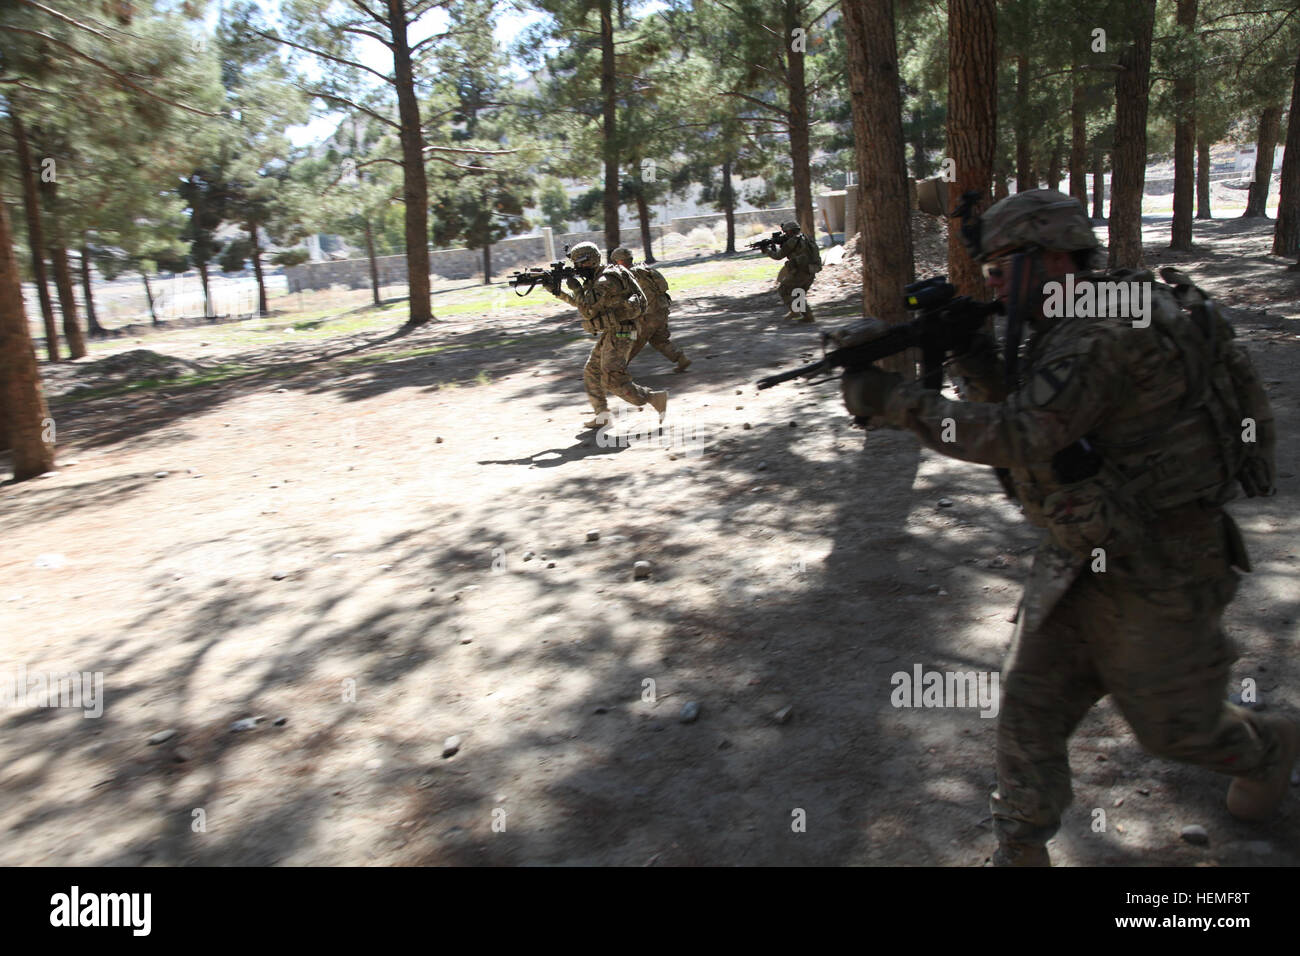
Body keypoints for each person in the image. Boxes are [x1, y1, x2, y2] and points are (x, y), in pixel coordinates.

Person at [840, 189, 1294, 866]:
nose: (992, 285)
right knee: (1028, 713)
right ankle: (1019, 850)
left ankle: (1271, 747)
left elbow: (1025, 432)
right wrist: (971, 355)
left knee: (1176, 731)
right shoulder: (1086, 307)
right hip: (1081, 552)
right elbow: (1044, 414)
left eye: (999, 271)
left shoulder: (1100, 333)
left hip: (1160, 564)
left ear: (1050, 257)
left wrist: (895, 399)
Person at [546, 241, 668, 429]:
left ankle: (654, 398)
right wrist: (556, 291)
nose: (578, 267)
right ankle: (602, 416)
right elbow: (585, 304)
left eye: (581, 263)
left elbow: (587, 311)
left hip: (622, 333)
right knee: (592, 372)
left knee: (613, 380)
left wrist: (576, 288)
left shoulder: (605, 281)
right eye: (576, 264)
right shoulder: (600, 276)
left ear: (592, 261)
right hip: (615, 330)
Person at [608, 247, 690, 373]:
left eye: (615, 262)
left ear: (619, 261)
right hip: (661, 311)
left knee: (630, 340)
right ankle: (681, 359)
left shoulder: (627, 275)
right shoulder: (645, 269)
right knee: (659, 340)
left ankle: (616, 372)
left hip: (647, 315)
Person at [766, 220, 822, 322]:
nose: (785, 235)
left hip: (800, 271)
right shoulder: (807, 238)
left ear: (791, 232)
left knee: (784, 289)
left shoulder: (793, 241)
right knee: (798, 292)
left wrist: (767, 251)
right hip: (811, 271)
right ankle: (808, 316)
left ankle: (794, 311)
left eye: (786, 233)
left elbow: (778, 256)